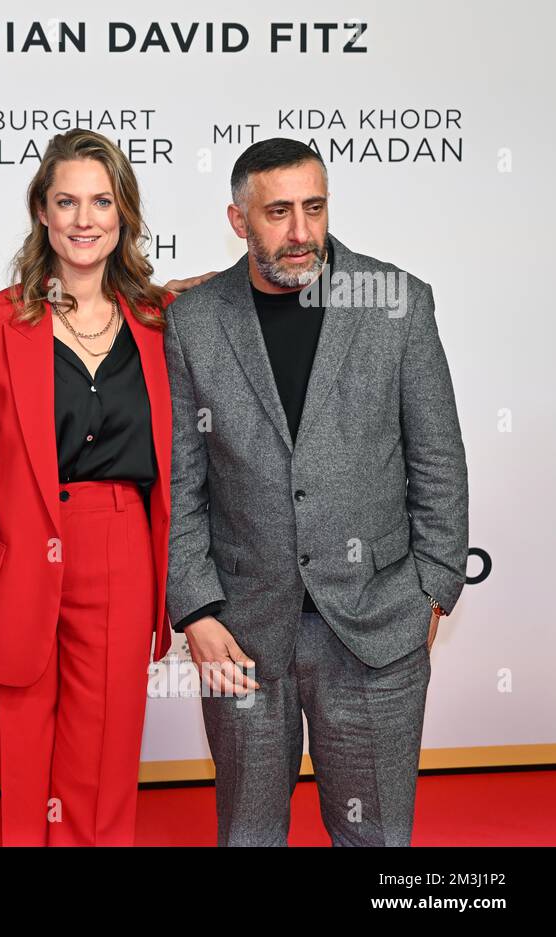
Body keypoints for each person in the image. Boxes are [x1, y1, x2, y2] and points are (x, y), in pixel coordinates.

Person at [164, 137, 469, 846]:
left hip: (377, 626)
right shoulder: (195, 320)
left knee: (379, 840)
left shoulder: (397, 303)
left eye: (314, 207)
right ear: (239, 221)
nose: (301, 232)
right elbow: (185, 483)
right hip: (240, 635)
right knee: (249, 836)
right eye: (277, 212)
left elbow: (439, 464)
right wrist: (197, 611)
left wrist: (433, 586)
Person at [0, 129, 176, 846]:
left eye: (101, 202)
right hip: (13, 557)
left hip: (119, 551)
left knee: (101, 767)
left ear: (124, 214)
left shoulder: (163, 321)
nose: (84, 219)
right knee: (24, 774)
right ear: (41, 211)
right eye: (66, 201)